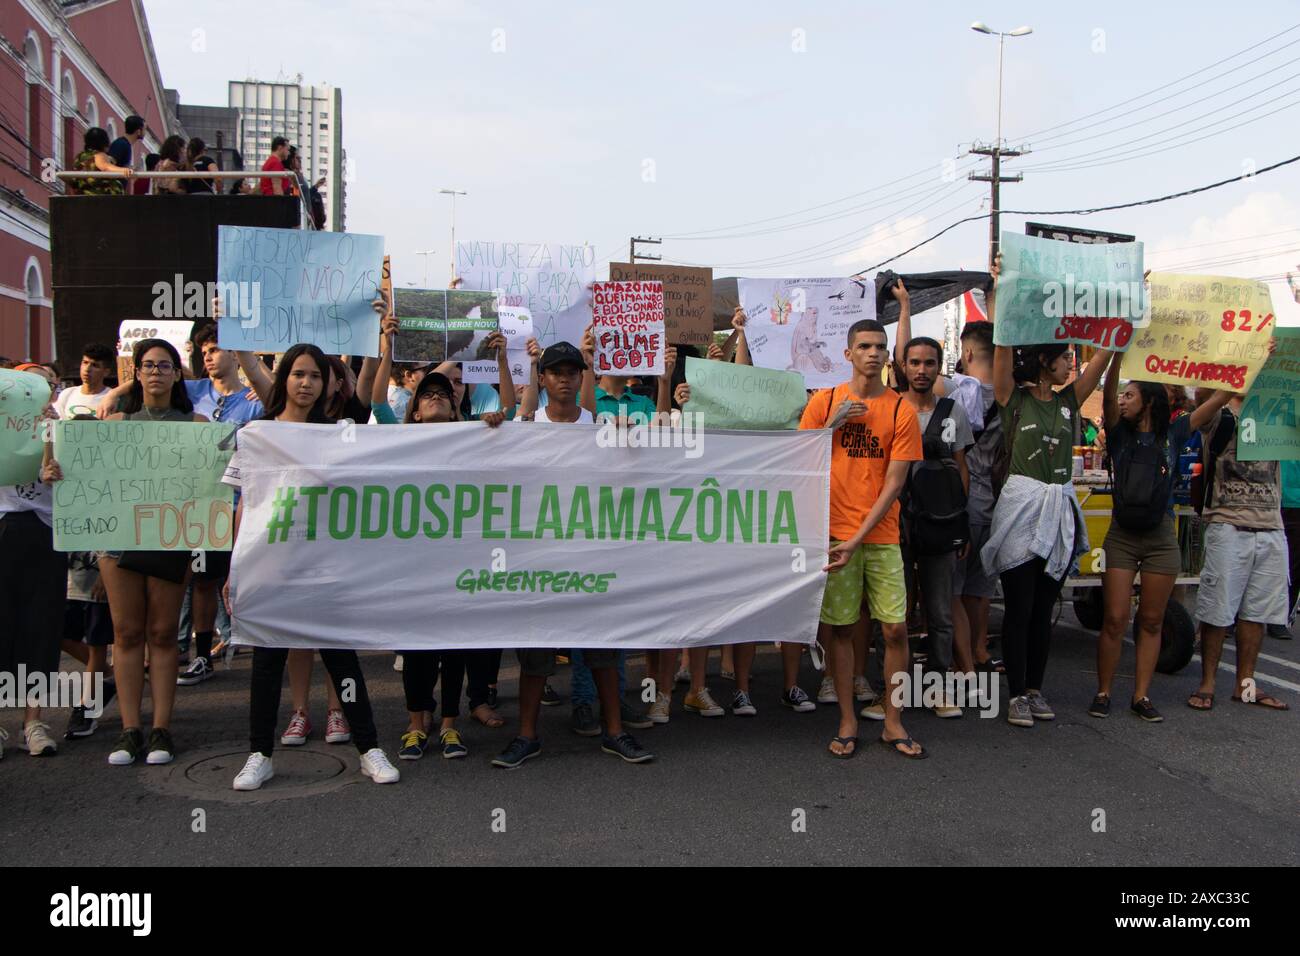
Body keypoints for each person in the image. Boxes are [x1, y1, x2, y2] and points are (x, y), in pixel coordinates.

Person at [226, 344, 400, 790]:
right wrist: (235, 569)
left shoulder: (338, 434)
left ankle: (369, 749)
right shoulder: (258, 434)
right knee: (267, 661)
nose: (306, 383)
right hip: (271, 566)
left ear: (328, 385)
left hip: (325, 568)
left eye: (316, 377)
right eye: (298, 374)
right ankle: (259, 754)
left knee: (342, 660)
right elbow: (245, 505)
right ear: (283, 377)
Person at [44, 339, 208, 765]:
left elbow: (210, 486)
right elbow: (81, 478)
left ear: (177, 373)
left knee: (163, 633)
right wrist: (53, 469)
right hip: (118, 542)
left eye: (165, 365)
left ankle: (162, 729)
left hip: (170, 540)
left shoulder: (197, 424)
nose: (156, 372)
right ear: (136, 372)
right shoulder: (113, 422)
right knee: (126, 634)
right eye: (148, 365)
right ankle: (130, 729)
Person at [493, 333, 654, 768]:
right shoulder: (526, 428)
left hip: (590, 554)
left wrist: (636, 436)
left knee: (603, 647)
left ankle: (614, 731)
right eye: (556, 373)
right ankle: (527, 735)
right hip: (540, 557)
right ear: (543, 378)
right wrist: (491, 427)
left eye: (571, 373)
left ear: (581, 377)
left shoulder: (600, 427)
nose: (564, 380)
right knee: (535, 653)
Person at [369, 310, 511, 758]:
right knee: (417, 650)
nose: (434, 397)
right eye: (425, 393)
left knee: (453, 648)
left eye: (442, 394)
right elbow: (374, 403)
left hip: (458, 561)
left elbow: (510, 410)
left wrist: (502, 367)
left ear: (456, 407)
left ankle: (449, 724)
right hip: (413, 563)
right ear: (413, 408)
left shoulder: (472, 435)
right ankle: (416, 723)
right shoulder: (400, 437)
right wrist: (386, 347)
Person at [803, 317, 924, 759]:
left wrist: (858, 537)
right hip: (834, 532)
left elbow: (895, 483)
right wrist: (831, 425)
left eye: (880, 347)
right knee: (840, 628)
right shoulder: (825, 401)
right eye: (865, 346)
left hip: (880, 536)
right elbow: (800, 461)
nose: (873, 353)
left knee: (894, 628)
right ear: (848, 353)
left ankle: (893, 722)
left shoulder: (900, 410)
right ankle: (848, 720)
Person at [987, 311, 1114, 727]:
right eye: (1065, 360)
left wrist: (1119, 326)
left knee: (1044, 608)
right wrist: (1004, 296)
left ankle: (1036, 690)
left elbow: (1099, 364)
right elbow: (1002, 351)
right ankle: (1015, 695)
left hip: (1057, 513)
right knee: (1020, 608)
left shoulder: (1068, 402)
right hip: (1021, 512)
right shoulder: (1013, 399)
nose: (1071, 366)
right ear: (1046, 362)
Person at [1091, 360, 1193, 722]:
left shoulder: (1175, 433)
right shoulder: (1119, 433)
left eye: (1129, 395)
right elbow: (1105, 394)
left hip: (1161, 537)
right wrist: (1116, 356)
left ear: (1148, 400)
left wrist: (1251, 361)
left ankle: (1140, 695)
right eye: (1121, 394)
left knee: (1151, 620)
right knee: (1115, 618)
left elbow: (1222, 397)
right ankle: (1103, 692)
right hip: (1122, 536)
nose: (1121, 400)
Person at [1187, 366, 1291, 712]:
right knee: (1218, 609)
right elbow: (1199, 397)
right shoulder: (1220, 409)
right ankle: (1207, 684)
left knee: (1256, 613)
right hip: (1227, 522)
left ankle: (1246, 685)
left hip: (1271, 524)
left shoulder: (1277, 408)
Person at [899, 335, 973, 717]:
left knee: (940, 612)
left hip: (943, 523)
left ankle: (938, 686)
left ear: (939, 366)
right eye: (914, 362)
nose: (921, 370)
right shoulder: (892, 407)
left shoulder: (953, 410)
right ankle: (893, 689)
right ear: (903, 366)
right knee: (896, 614)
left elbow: (962, 468)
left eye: (929, 363)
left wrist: (962, 523)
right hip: (898, 525)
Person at [0, 369, 65, 758]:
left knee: (41, 625)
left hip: (46, 533)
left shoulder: (64, 430)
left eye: (50, 384)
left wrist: (55, 450)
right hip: (4, 527)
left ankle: (33, 720)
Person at [54, 344, 114, 419]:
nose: (87, 369)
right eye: (85, 362)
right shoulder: (67, 394)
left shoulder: (112, 398)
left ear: (106, 372)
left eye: (95, 365)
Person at [68, 127, 132, 195]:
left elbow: (73, 181)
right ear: (104, 143)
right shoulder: (99, 155)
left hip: (82, 195)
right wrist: (125, 170)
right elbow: (105, 167)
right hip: (101, 196)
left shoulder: (80, 157)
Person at [1281, 459, 1299, 639]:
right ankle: (1233, 618)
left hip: (1295, 502)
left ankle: (1281, 618)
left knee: (1293, 566)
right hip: (1272, 498)